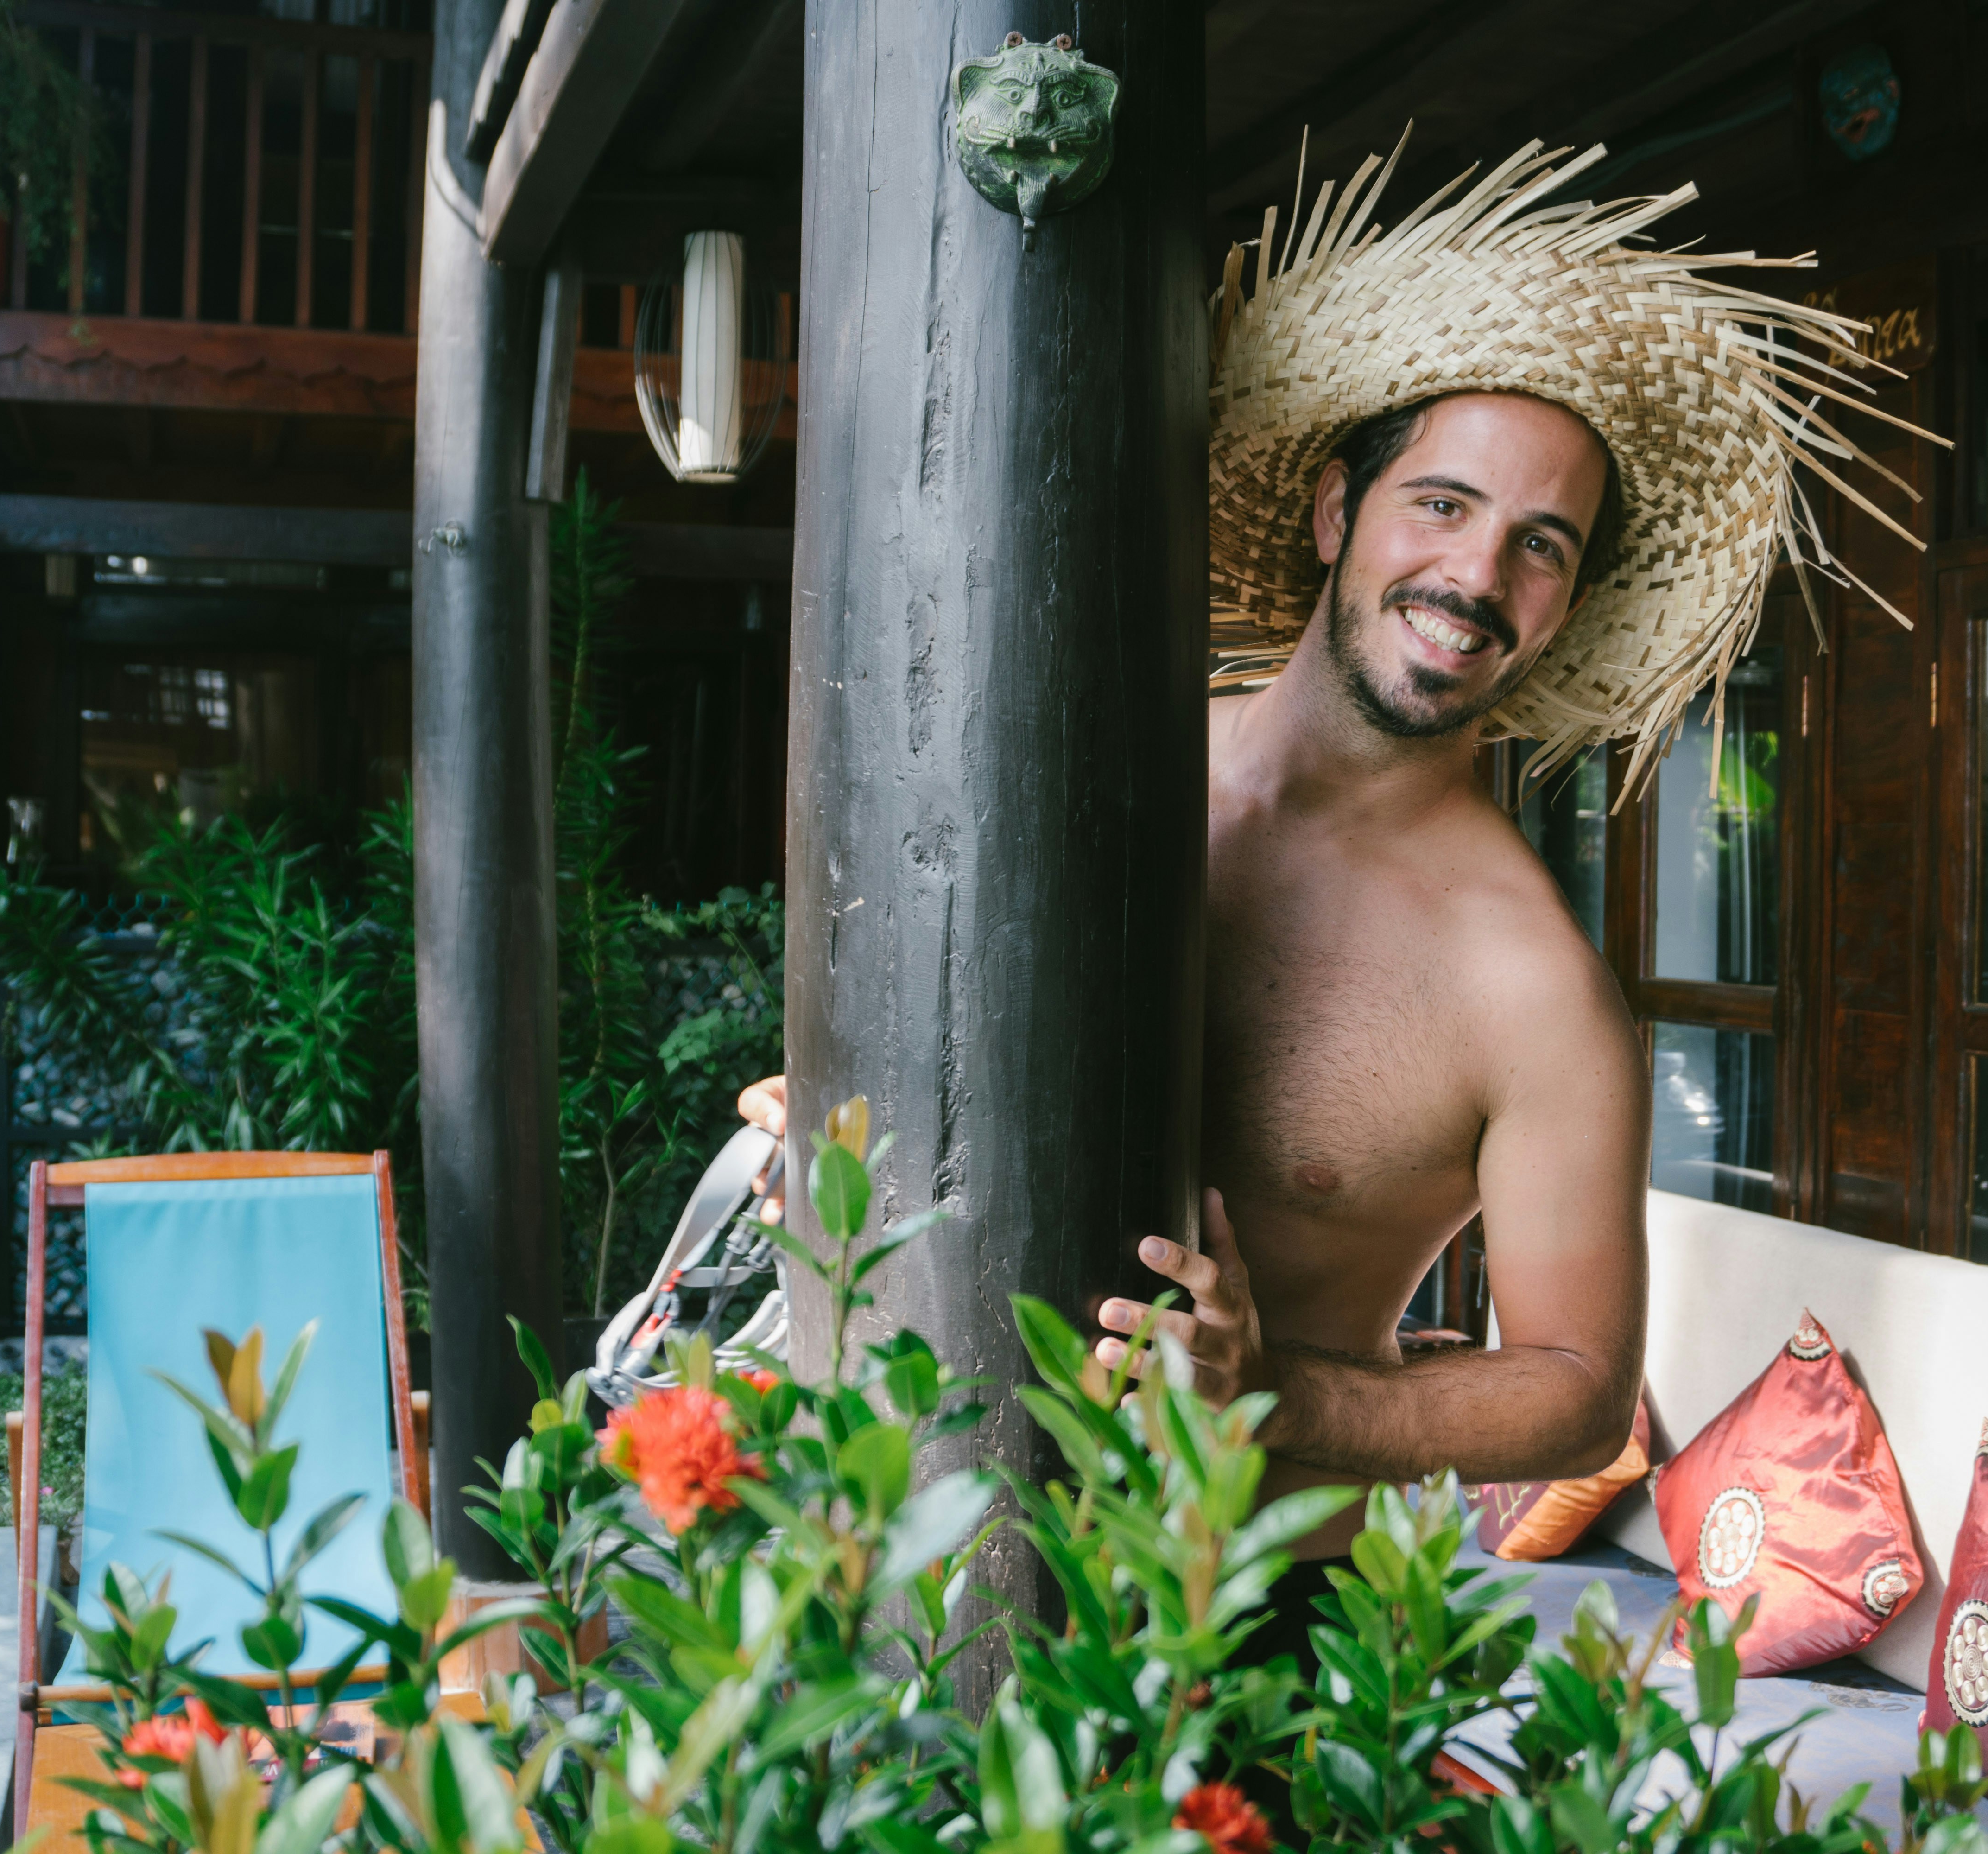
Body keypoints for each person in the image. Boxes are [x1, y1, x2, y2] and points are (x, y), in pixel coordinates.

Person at [740, 136, 1915, 1679]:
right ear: (1331, 513)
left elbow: (1575, 1382)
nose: (1478, 572)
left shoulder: (1533, 987)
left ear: (1565, 601)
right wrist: (826, 1138)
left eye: (1539, 547)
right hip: (902, 1543)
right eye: (1441, 505)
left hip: (1243, 1630)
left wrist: (1270, 1389)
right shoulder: (1089, 775)